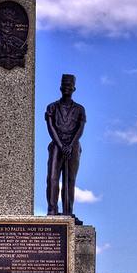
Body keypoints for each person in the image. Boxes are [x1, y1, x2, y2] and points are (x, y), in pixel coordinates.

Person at [45, 74, 86, 220]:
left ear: (73, 89)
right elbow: (50, 127)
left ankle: (68, 211)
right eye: (64, 86)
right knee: (52, 177)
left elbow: (80, 129)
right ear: (60, 88)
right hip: (57, 144)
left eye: (69, 86)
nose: (66, 88)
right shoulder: (52, 107)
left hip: (73, 146)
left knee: (70, 180)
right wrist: (61, 145)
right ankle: (52, 210)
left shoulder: (80, 109)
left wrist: (70, 145)